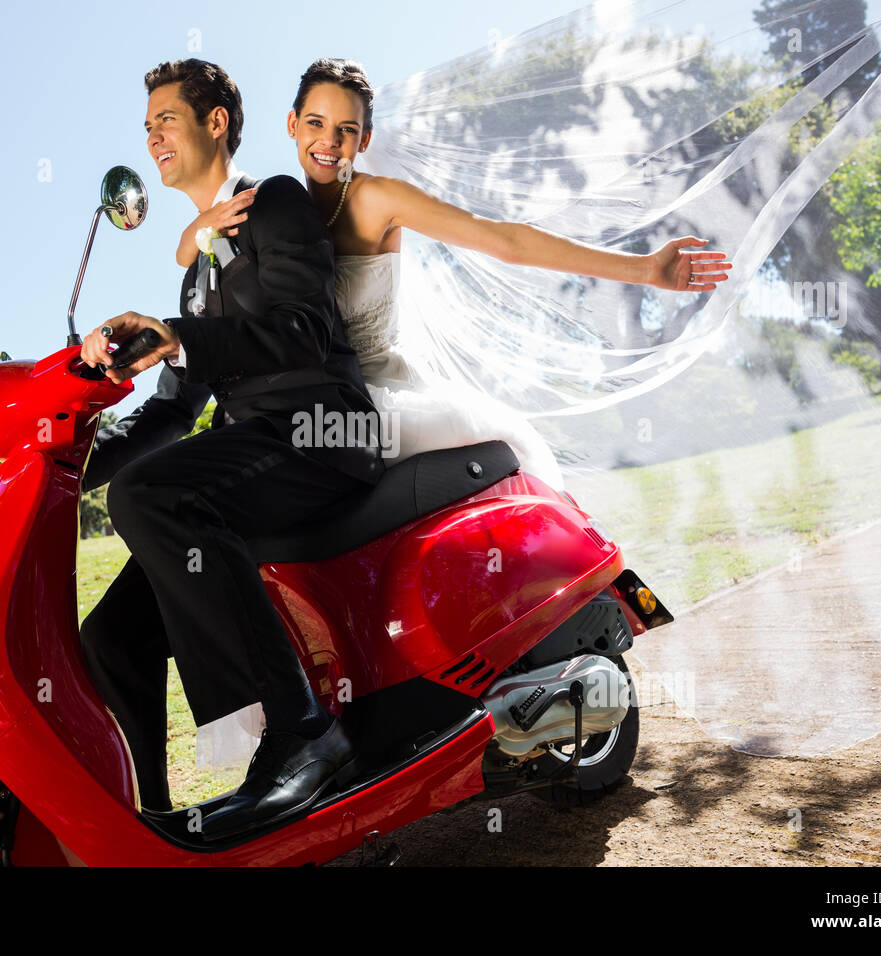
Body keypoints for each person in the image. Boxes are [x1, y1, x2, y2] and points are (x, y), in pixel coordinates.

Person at [184, 56, 734, 770]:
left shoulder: (374, 200)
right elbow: (197, 264)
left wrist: (643, 269)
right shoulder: (262, 210)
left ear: (366, 139)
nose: (330, 142)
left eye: (347, 130)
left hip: (377, 400)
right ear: (291, 126)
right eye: (316, 124)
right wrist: (197, 230)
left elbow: (503, 238)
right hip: (308, 413)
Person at [78, 58, 385, 841]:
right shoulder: (191, 278)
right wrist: (72, 458)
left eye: (166, 120)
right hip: (251, 449)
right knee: (111, 636)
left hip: (322, 432)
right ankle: (146, 818)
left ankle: (301, 733)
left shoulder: (276, 201)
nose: (152, 138)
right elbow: (174, 411)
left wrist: (184, 337)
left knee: (151, 497)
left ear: (216, 123)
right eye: (145, 127)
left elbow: (304, 330)